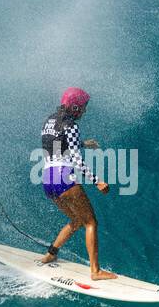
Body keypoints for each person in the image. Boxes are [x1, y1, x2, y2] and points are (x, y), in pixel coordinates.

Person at [39, 87, 115, 279]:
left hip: (48, 179)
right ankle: (95, 271)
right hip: (64, 178)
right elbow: (76, 160)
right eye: (82, 107)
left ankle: (50, 254)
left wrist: (82, 143)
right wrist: (97, 181)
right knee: (91, 222)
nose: (84, 111)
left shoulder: (50, 120)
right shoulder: (71, 125)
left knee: (77, 220)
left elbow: (57, 144)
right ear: (74, 107)